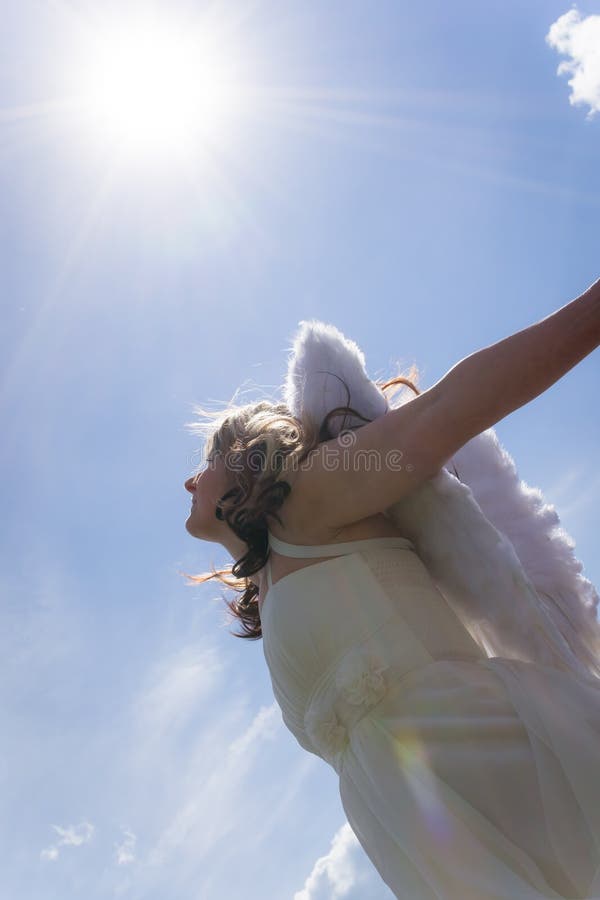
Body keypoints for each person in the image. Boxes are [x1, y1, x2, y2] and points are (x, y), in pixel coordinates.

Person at [184, 277, 600, 899]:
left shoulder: (308, 501)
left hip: (505, 763)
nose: (191, 480)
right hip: (436, 838)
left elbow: (446, 409)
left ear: (248, 462)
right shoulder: (274, 584)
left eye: (206, 460)